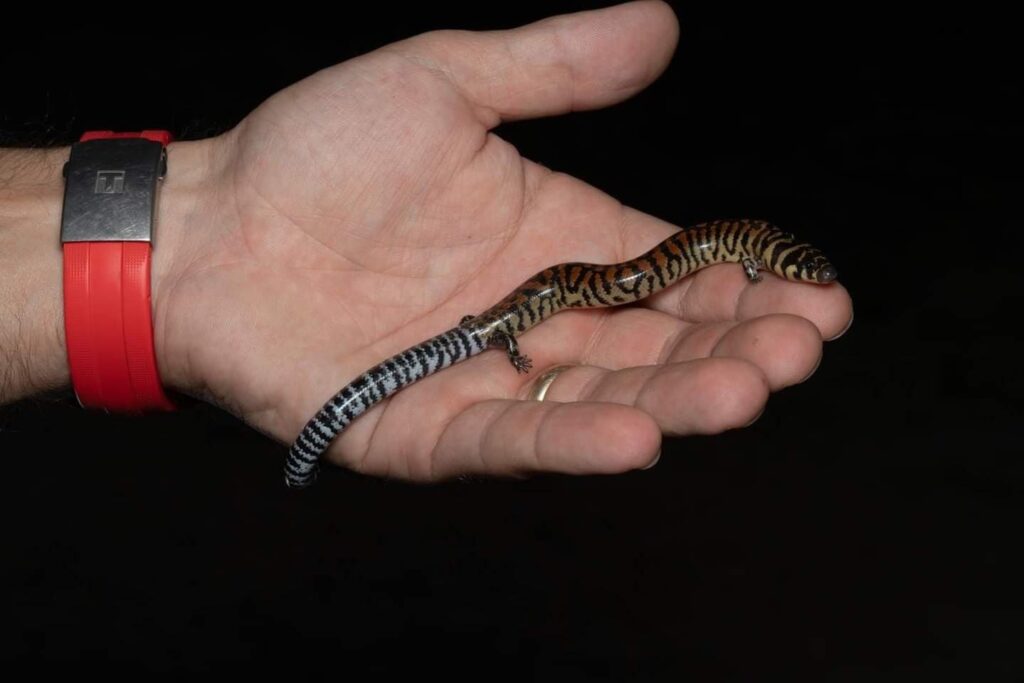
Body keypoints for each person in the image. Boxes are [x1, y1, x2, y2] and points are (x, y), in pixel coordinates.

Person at [0, 1, 852, 480]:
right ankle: (318, 445)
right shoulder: (733, 245)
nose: (804, 271)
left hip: (527, 306)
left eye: (801, 266)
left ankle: (314, 447)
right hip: (520, 309)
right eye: (800, 266)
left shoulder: (739, 244)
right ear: (764, 252)